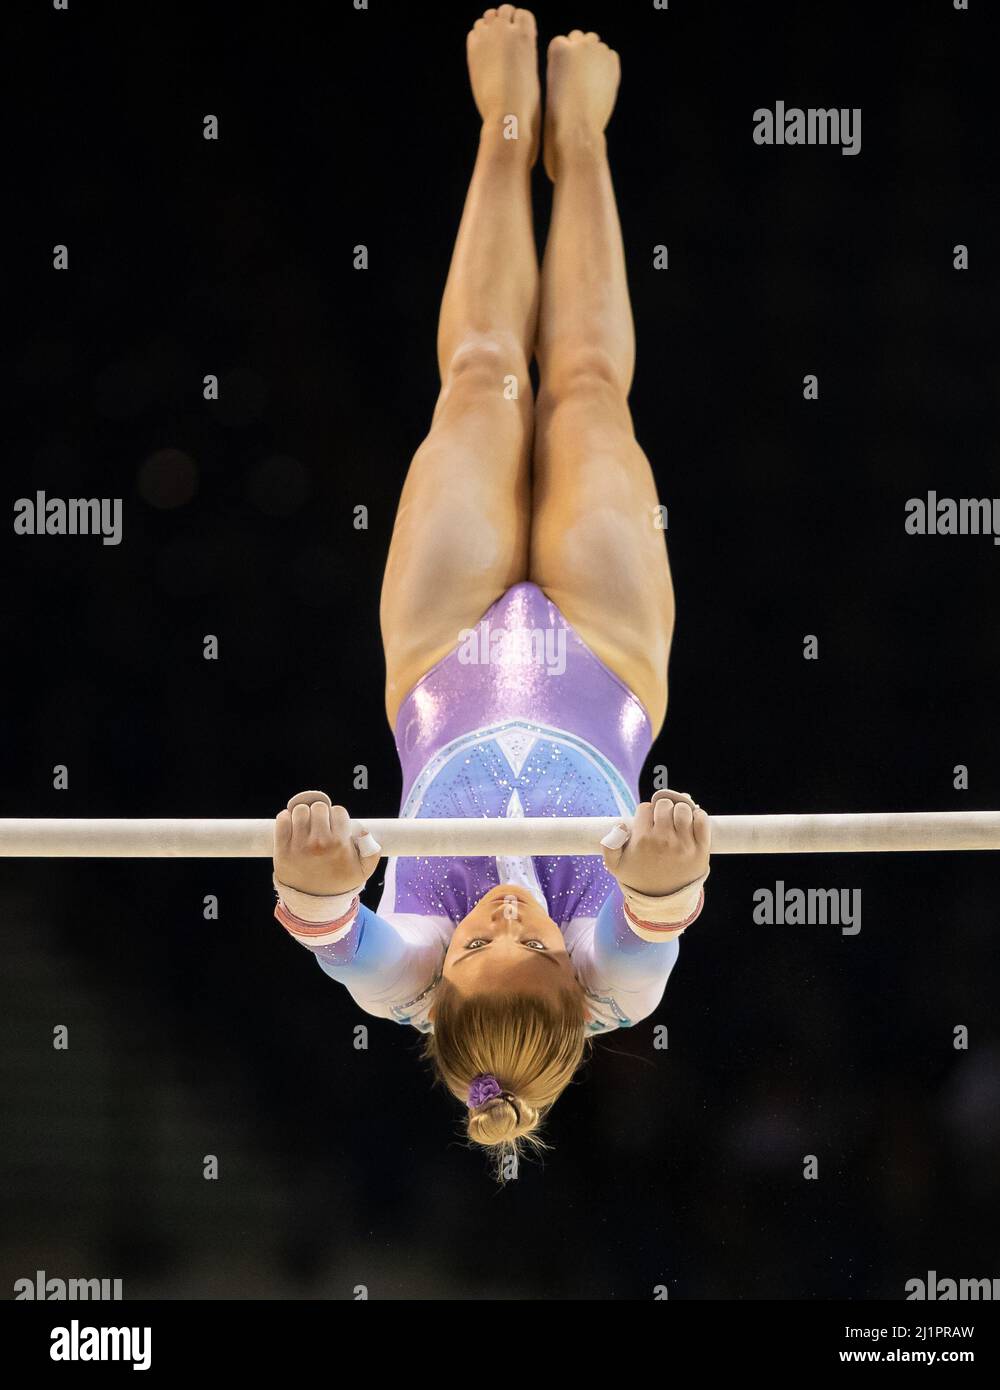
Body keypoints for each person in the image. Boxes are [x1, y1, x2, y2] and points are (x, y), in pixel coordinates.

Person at [270, 7, 711, 1170]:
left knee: (477, 383)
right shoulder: (614, 985)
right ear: (576, 986)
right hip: (605, 659)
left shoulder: (404, 979)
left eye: (475, 946)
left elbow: (332, 932)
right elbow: (656, 924)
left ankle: (503, 134)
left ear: (442, 978)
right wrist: (662, 880)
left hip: (445, 658)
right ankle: (586, 139)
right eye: (533, 941)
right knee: (582, 390)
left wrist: (316, 877)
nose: (501, 920)